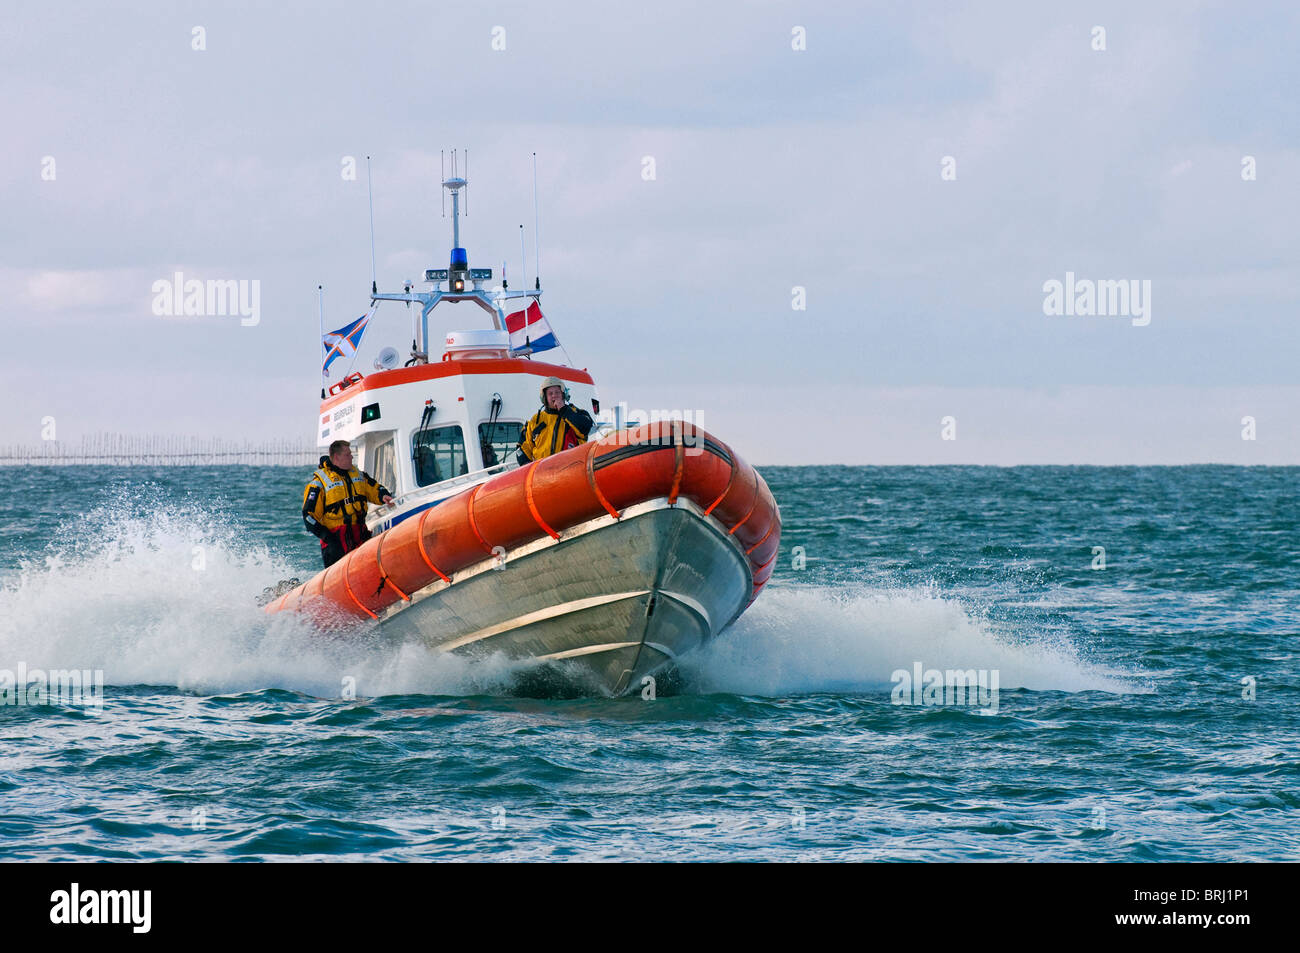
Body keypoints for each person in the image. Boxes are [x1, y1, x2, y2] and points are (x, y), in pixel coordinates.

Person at [302, 440, 394, 567]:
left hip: (360, 535)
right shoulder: (319, 483)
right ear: (336, 457)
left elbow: (374, 488)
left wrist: (383, 495)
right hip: (335, 542)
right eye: (348, 454)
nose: (352, 457)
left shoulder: (359, 475)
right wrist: (328, 538)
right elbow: (308, 516)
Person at [515, 377, 594, 464]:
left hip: (570, 470)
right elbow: (522, 448)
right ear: (544, 397)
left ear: (563, 394)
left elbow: (584, 429)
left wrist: (564, 410)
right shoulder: (535, 420)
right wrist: (527, 467)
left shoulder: (577, 413)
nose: (554, 395)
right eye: (550, 393)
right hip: (542, 473)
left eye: (557, 392)